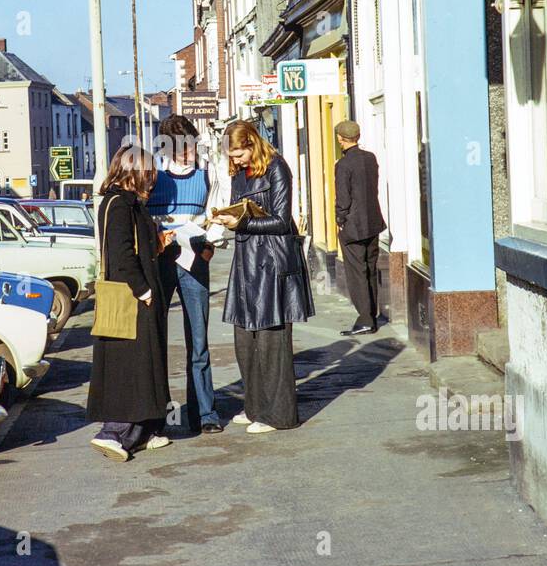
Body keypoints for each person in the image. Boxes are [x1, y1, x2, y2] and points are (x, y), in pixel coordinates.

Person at [213, 120, 313, 434]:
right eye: (231, 155)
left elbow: (283, 221)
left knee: (273, 341)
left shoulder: (277, 168)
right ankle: (255, 407)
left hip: (272, 263)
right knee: (245, 339)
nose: (235, 160)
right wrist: (228, 217)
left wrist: (240, 225)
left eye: (239, 153)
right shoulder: (240, 172)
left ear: (253, 144)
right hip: (246, 259)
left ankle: (279, 415)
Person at [87, 145, 172, 462]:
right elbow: (122, 255)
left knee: (141, 366)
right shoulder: (121, 205)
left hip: (133, 294)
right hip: (131, 299)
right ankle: (114, 433)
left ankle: (144, 432)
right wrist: (144, 290)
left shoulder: (120, 203)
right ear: (135, 174)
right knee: (134, 368)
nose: (151, 183)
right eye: (148, 176)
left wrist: (159, 241)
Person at [149, 114, 230, 435]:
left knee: (198, 340)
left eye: (192, 145)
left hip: (195, 259)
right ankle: (161, 415)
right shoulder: (153, 174)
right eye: (181, 147)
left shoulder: (208, 172)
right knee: (155, 341)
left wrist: (209, 247)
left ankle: (205, 413)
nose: (188, 152)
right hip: (160, 260)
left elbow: (219, 213)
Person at [333, 120, 387, 336]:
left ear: (340, 138)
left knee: (357, 273)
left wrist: (340, 219)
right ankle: (371, 315)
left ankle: (365, 319)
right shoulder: (370, 158)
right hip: (373, 222)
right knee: (370, 269)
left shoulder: (343, 165)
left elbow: (343, 199)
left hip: (353, 227)